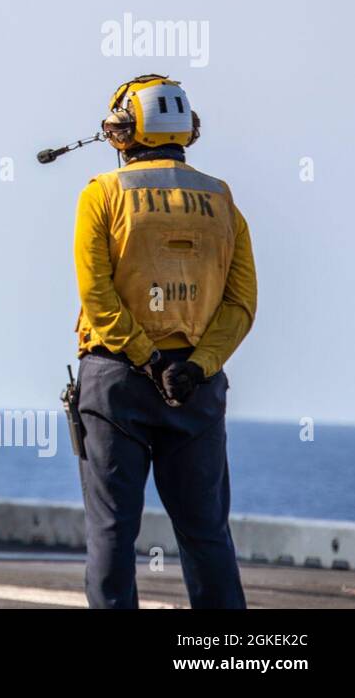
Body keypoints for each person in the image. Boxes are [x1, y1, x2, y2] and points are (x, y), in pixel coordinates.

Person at [72, 74, 256, 609]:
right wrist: (196, 366)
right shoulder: (222, 199)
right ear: (186, 129)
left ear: (126, 132)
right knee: (205, 532)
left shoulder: (101, 194)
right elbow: (241, 302)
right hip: (195, 387)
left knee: (111, 531)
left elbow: (98, 295)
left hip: (115, 381)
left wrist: (145, 359)